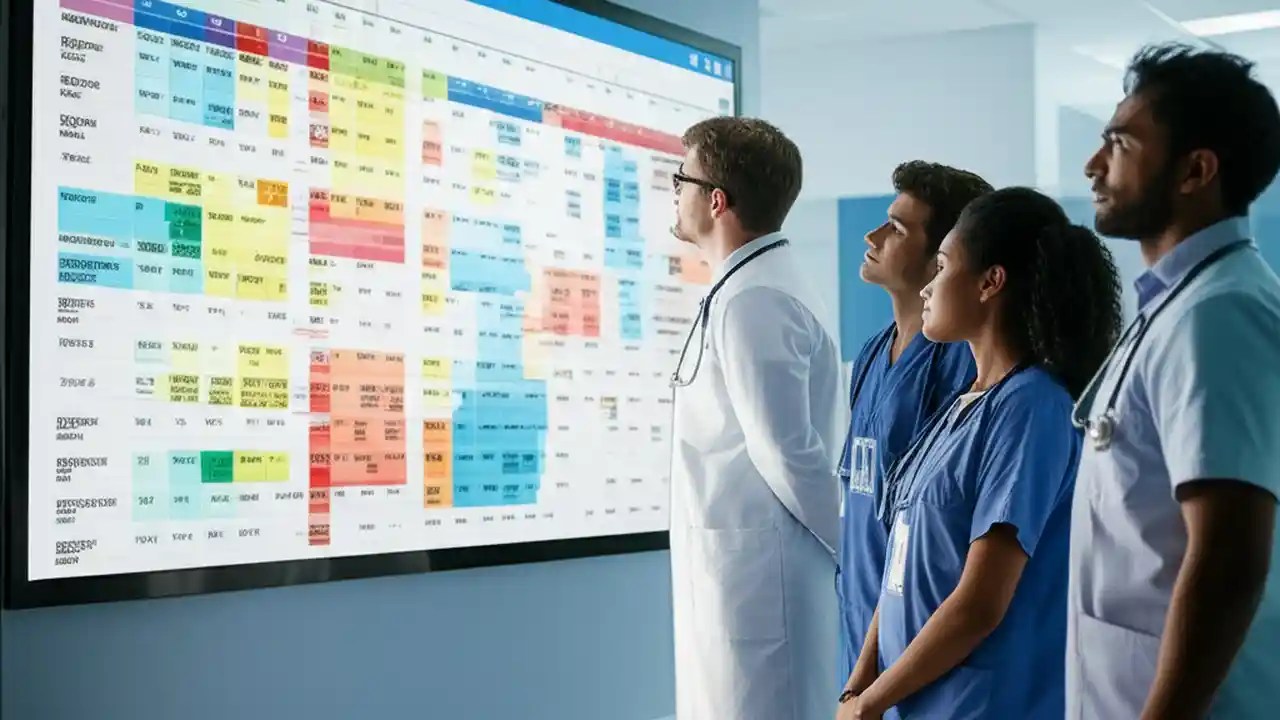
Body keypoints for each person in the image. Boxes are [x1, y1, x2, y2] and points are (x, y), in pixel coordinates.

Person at [837, 187, 1123, 720]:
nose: (929, 285)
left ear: (991, 282)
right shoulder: (961, 406)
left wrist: (872, 701)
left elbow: (979, 604)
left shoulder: (1032, 406)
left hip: (982, 706)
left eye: (941, 266)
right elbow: (900, 561)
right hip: (911, 701)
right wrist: (858, 686)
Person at [1069, 42, 1280, 719]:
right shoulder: (1174, 304)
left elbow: (1228, 556)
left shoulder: (1219, 313)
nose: (1093, 165)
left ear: (1196, 170)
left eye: (1120, 144)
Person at [668, 116, 842, 720]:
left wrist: (852, 552)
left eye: (680, 179)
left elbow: (790, 454)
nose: (675, 192)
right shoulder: (746, 286)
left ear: (716, 200)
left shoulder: (755, 299)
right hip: (743, 578)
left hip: (760, 586)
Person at [835, 161, 990, 686]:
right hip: (859, 629)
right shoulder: (873, 355)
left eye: (898, 229)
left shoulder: (961, 365)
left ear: (944, 257)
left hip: (916, 641)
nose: (872, 236)